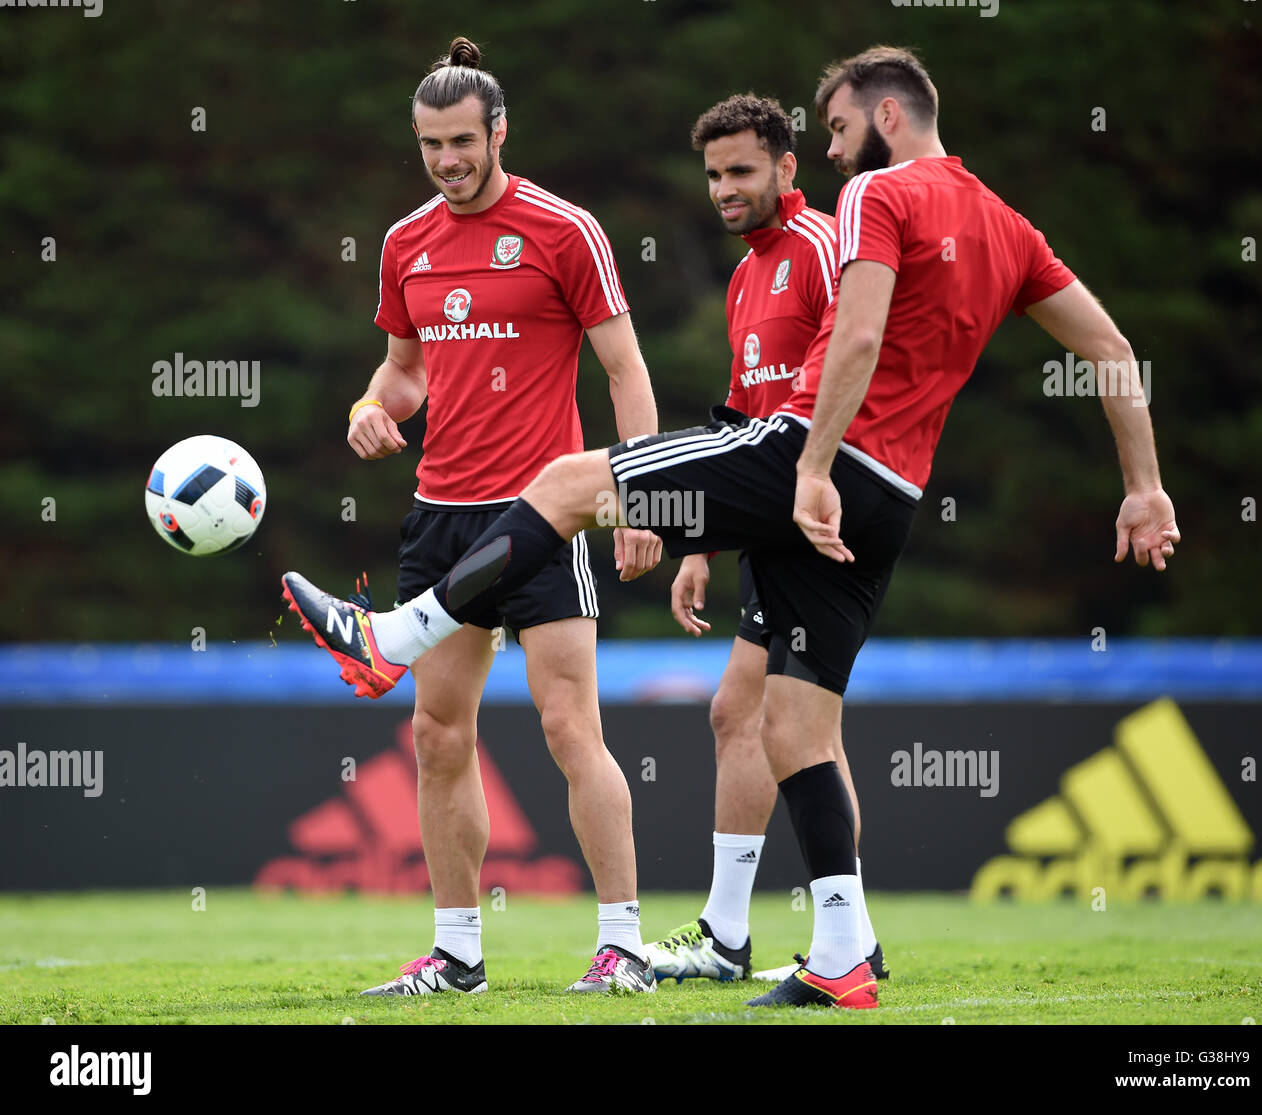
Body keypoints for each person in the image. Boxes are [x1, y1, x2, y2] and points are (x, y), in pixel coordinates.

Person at [283, 45, 1179, 1010]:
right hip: (896, 492)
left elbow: (863, 337)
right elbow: (1113, 348)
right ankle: (842, 954)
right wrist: (1144, 485)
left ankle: (393, 636)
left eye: (834, 131)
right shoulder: (1008, 225)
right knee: (792, 724)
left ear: (884, 118)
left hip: (810, 460)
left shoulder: (877, 200)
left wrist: (813, 465)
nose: (831, 154)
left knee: (566, 483)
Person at [284, 36, 664, 997]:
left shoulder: (563, 230)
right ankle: (457, 954)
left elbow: (624, 369)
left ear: (499, 131)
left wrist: (640, 495)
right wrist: (372, 412)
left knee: (569, 724)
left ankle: (621, 944)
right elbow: (404, 373)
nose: (448, 162)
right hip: (440, 515)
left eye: (462, 141)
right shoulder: (406, 242)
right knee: (437, 735)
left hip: (544, 513)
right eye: (429, 146)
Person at [640, 93, 889, 987]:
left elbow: (868, 360)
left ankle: (732, 933)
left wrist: (821, 483)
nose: (724, 189)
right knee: (781, 724)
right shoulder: (747, 275)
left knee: (767, 720)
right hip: (767, 513)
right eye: (713, 174)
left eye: (742, 169)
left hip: (818, 511)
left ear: (789, 168)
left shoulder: (826, 246)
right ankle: (841, 933)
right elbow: (743, 422)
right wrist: (700, 541)